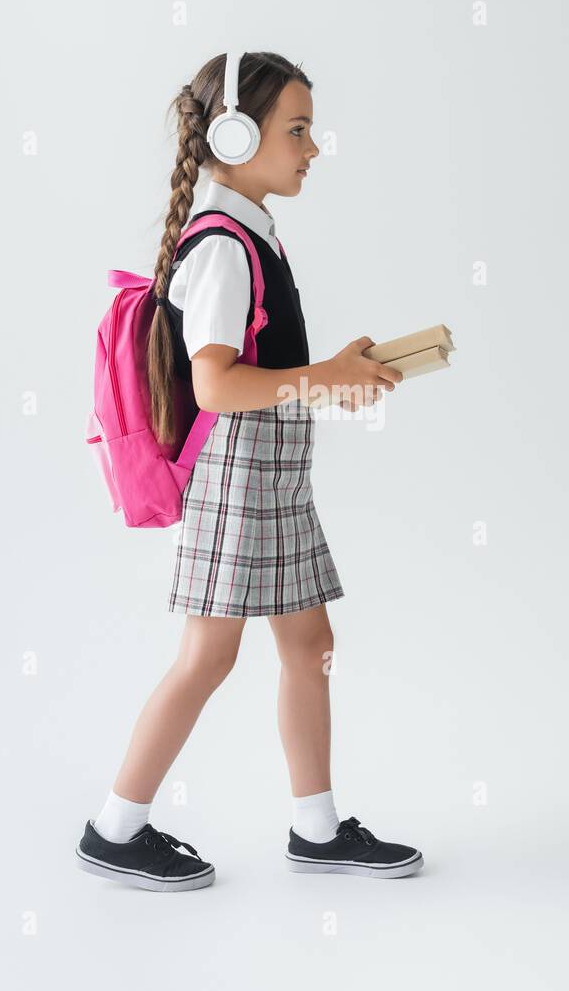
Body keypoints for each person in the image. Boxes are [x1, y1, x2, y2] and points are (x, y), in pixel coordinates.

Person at [75, 51, 424, 891]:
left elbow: (255, 378)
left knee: (309, 644)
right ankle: (115, 829)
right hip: (237, 474)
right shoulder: (226, 248)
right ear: (235, 135)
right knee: (208, 657)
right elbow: (219, 386)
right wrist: (324, 380)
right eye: (297, 130)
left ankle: (317, 827)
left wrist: (328, 375)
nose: (312, 148)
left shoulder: (248, 232)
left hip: (269, 471)